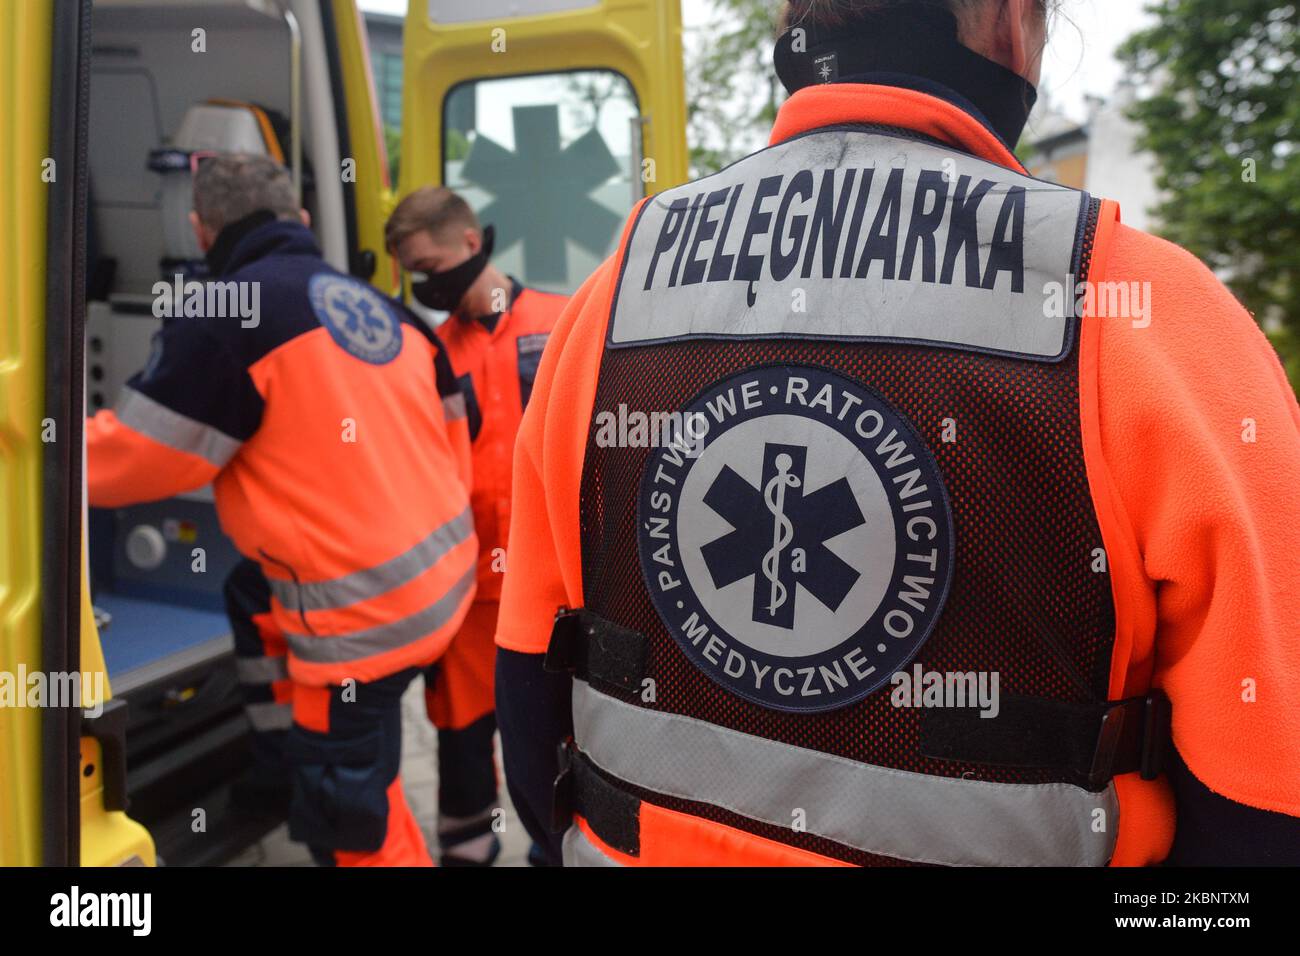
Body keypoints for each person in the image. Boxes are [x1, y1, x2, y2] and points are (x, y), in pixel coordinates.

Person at [493, 0, 1300, 866]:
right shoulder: (1140, 306)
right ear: (1005, 20)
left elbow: (531, 697)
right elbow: (1262, 804)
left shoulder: (611, 296)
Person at [87, 154, 477, 866]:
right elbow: (460, 426)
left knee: (352, 821)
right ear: (299, 221)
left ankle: (323, 788)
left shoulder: (224, 314)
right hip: (443, 585)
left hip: (360, 627)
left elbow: (140, 459)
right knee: (248, 588)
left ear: (202, 231)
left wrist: (38, 456)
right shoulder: (386, 311)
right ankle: (275, 764)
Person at [385, 187, 568, 864]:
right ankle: (467, 852)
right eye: (414, 275)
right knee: (459, 740)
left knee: (558, 736)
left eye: (431, 266)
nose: (427, 285)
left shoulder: (564, 322)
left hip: (551, 589)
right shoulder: (427, 352)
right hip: (462, 595)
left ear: (470, 243)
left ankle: (556, 854)